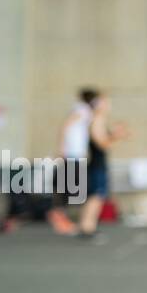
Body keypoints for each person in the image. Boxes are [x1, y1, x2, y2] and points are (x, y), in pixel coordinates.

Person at [78, 94, 129, 239]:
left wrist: (115, 135)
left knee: (97, 197)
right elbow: (101, 143)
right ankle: (87, 227)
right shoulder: (96, 120)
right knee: (96, 196)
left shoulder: (98, 120)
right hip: (96, 164)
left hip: (98, 164)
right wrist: (116, 136)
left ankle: (88, 226)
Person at [49, 88, 96, 236]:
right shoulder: (83, 110)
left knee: (71, 188)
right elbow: (65, 125)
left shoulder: (84, 110)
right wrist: (61, 147)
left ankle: (61, 217)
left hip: (76, 155)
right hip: (72, 155)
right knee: (72, 187)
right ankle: (59, 217)